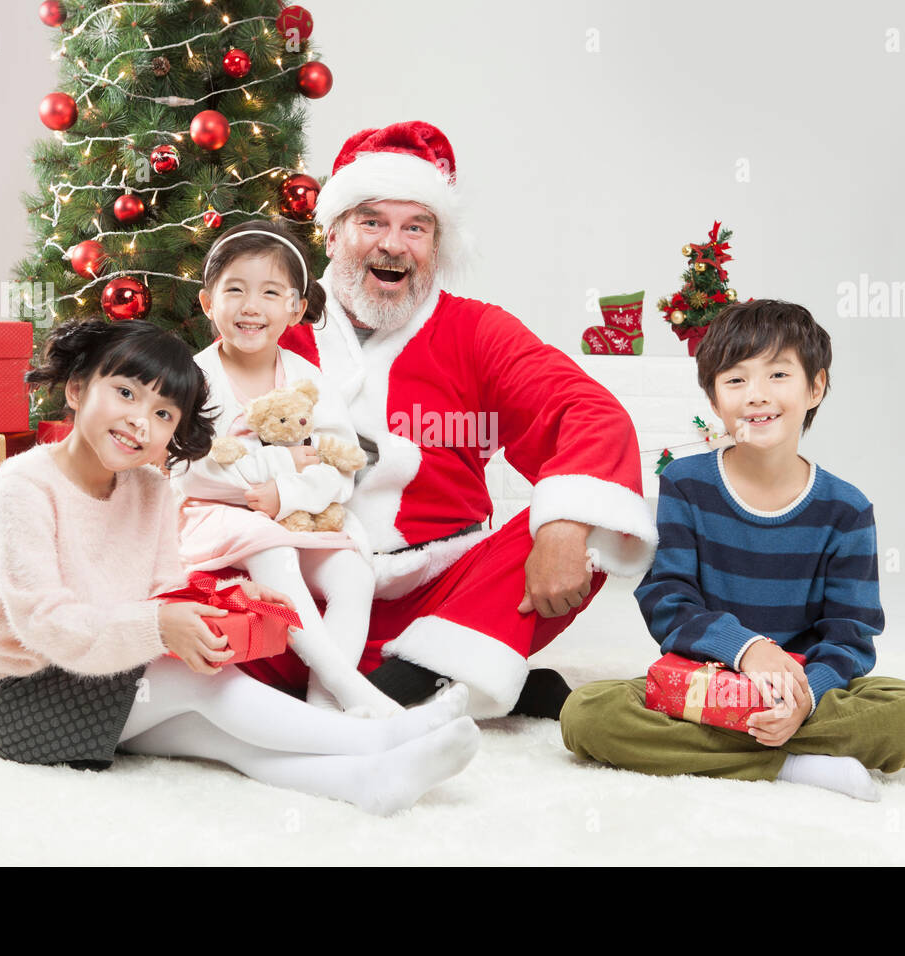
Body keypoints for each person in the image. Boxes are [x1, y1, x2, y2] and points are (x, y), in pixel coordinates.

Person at [0, 318, 479, 815]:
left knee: (225, 736)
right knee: (200, 682)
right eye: (125, 393)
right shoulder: (21, 490)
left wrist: (235, 599)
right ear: (76, 390)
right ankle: (378, 734)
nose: (141, 419)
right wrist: (160, 628)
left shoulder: (152, 488)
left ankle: (370, 784)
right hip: (25, 697)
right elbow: (47, 625)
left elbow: (166, 588)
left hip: (110, 676)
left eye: (164, 414)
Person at [257, 120, 658, 720]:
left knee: (589, 521)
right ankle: (453, 680)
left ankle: (415, 673)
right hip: (300, 589)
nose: (393, 245)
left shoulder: (477, 330)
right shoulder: (271, 319)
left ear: (437, 246)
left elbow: (588, 413)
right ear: (334, 234)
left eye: (415, 227)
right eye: (372, 221)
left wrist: (562, 528)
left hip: (440, 594)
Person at [559, 300, 905, 800]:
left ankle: (742, 750)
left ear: (816, 387)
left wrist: (803, 699)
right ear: (714, 400)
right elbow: (669, 600)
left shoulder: (846, 510)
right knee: (589, 715)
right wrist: (746, 649)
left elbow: (851, 634)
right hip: (708, 683)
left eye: (778, 374)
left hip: (801, 689)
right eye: (735, 380)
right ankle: (795, 767)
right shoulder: (685, 483)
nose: (756, 396)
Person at [171, 220, 401, 718]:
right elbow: (191, 469)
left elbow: (338, 467)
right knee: (273, 548)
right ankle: (354, 689)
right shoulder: (194, 378)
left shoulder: (308, 381)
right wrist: (280, 469)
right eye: (235, 290)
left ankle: (324, 703)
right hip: (214, 514)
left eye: (270, 293)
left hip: (298, 511)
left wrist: (289, 494)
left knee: (353, 575)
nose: (251, 306)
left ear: (294, 309)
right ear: (209, 302)